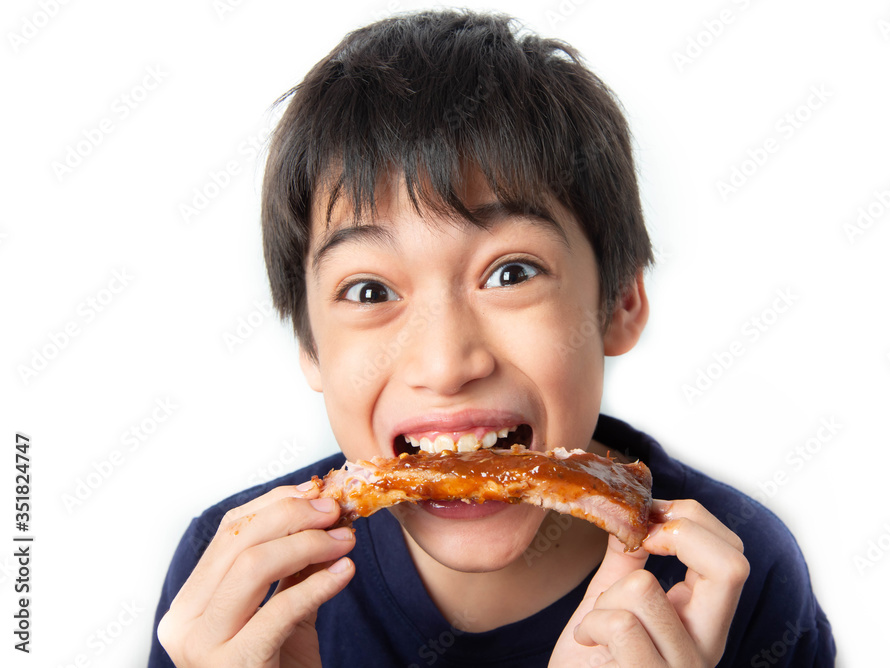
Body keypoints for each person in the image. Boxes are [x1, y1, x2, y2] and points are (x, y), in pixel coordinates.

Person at [149, 10, 835, 667]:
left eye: (510, 273)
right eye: (369, 291)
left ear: (620, 302)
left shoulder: (741, 577)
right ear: (309, 347)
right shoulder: (232, 590)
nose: (447, 364)